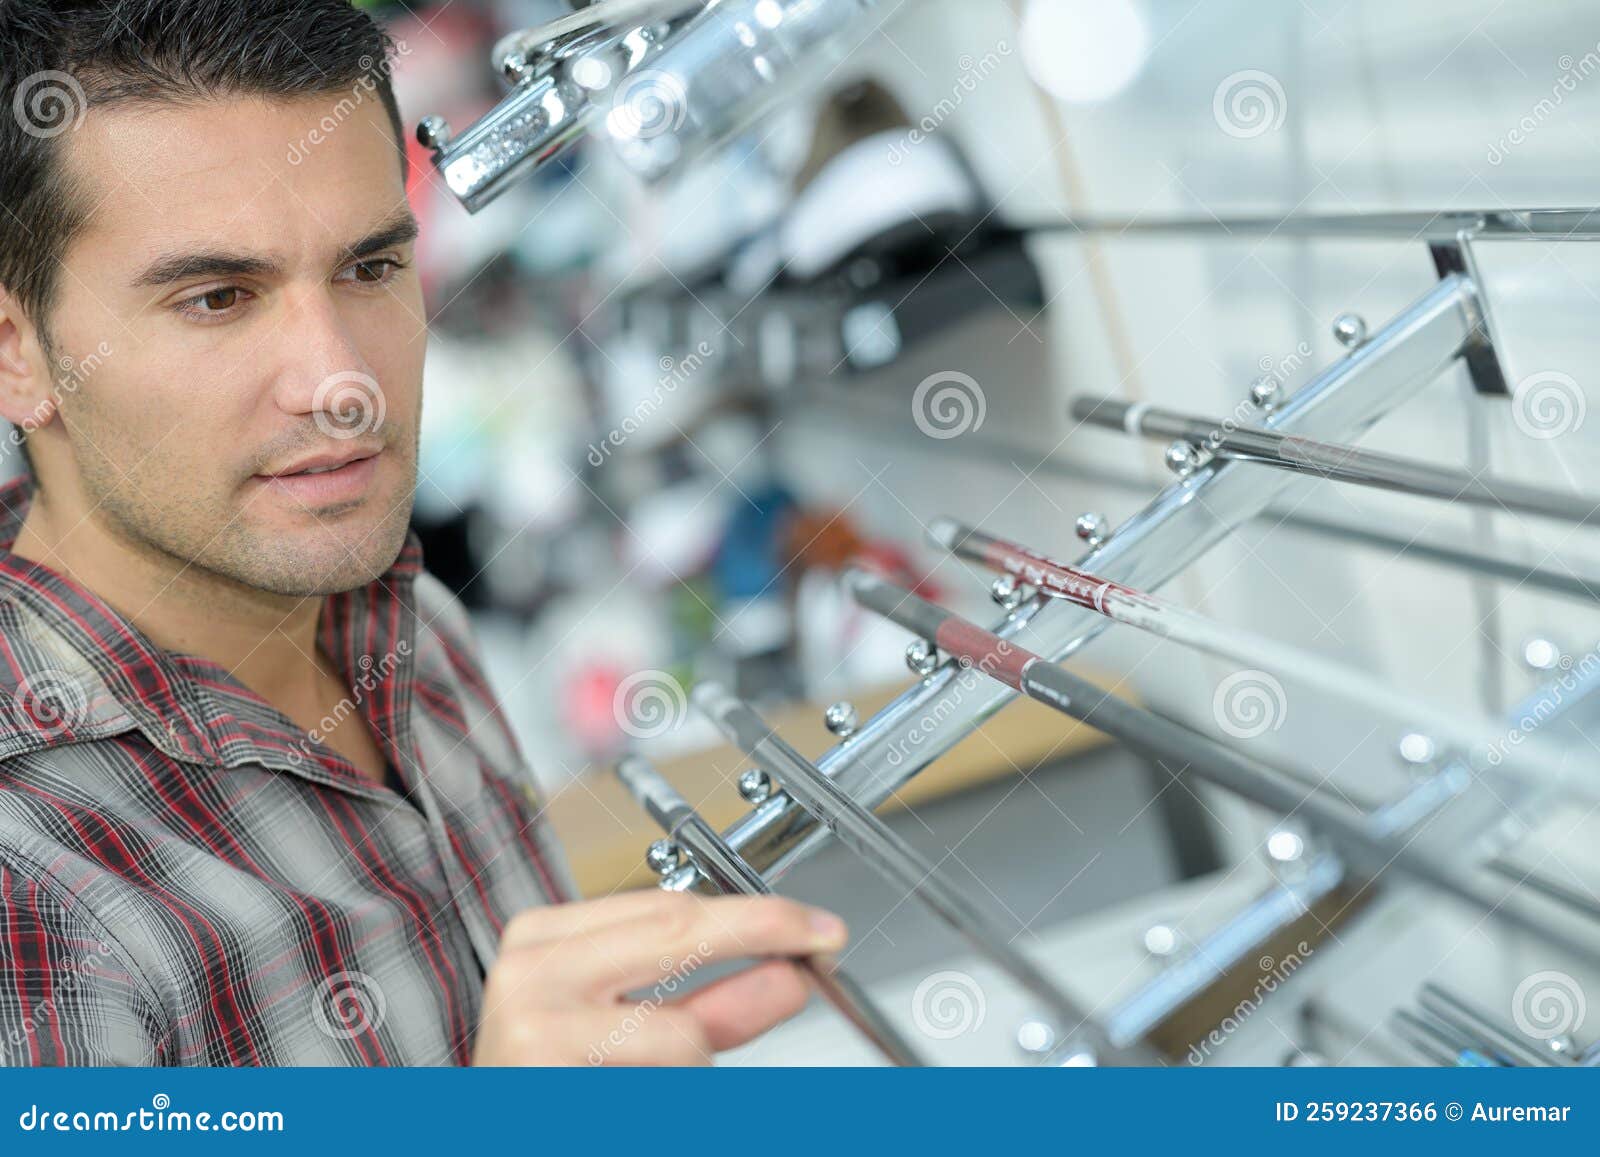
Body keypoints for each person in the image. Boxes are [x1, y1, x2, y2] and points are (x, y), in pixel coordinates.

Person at [0, 0, 846, 1066]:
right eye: (218, 297)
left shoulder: (403, 614)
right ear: (17, 354)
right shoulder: (30, 891)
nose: (342, 384)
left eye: (369, 269)